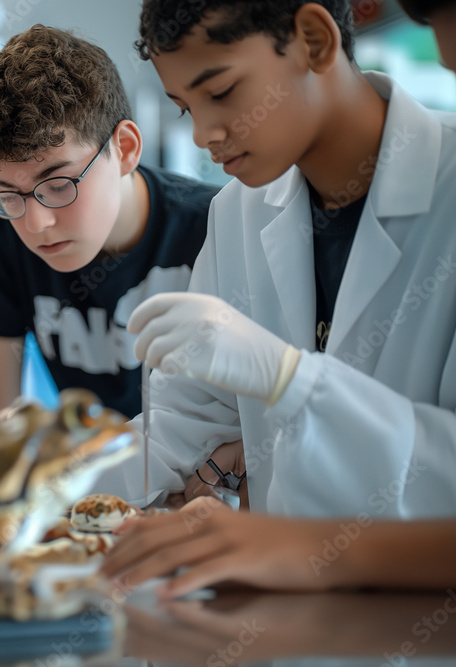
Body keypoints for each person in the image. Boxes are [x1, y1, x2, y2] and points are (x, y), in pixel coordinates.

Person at [100, 0, 456, 595]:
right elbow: (183, 422)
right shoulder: (236, 211)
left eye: (223, 91)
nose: (204, 134)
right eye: (186, 107)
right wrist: (35, 481)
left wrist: (291, 381)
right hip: (284, 629)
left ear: (314, 41)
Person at [0, 25, 221, 420]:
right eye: (8, 193)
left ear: (125, 149)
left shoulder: (214, 228)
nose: (37, 222)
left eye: (58, 185)